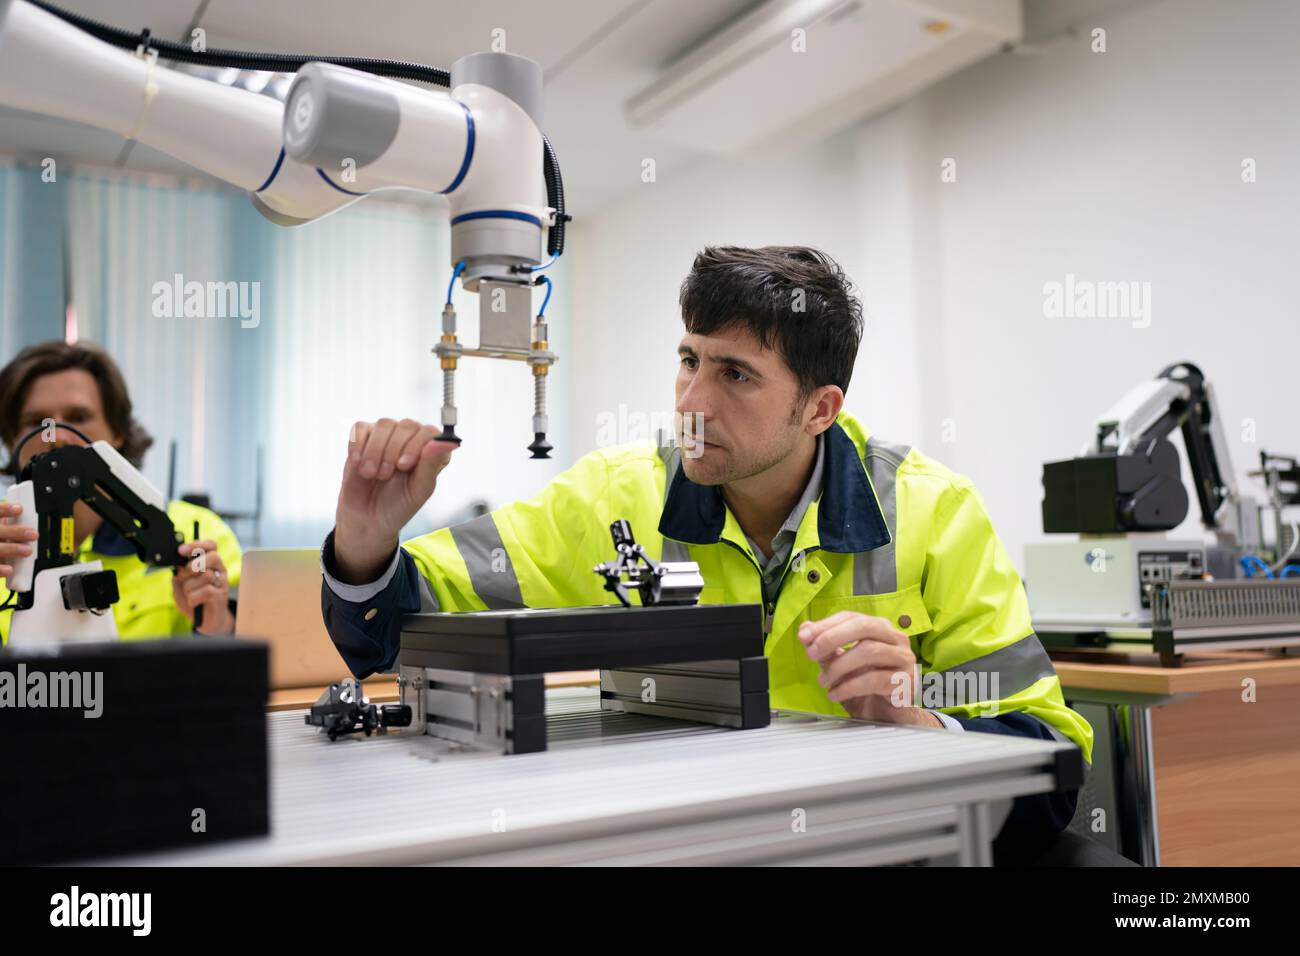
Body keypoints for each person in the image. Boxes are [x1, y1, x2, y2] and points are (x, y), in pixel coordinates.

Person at [319, 246, 1095, 855]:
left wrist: (922, 723)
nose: (691, 402)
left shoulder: (935, 513)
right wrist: (365, 540)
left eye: (735, 375)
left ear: (819, 408)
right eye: (690, 360)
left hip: (868, 847)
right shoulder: (614, 497)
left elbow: (1053, 759)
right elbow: (397, 630)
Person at [0, 341, 240, 643]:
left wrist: (218, 624)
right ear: (11, 439)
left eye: (78, 417)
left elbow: (260, 656)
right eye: (38, 423)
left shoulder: (200, 533)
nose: (57, 436)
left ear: (117, 432)